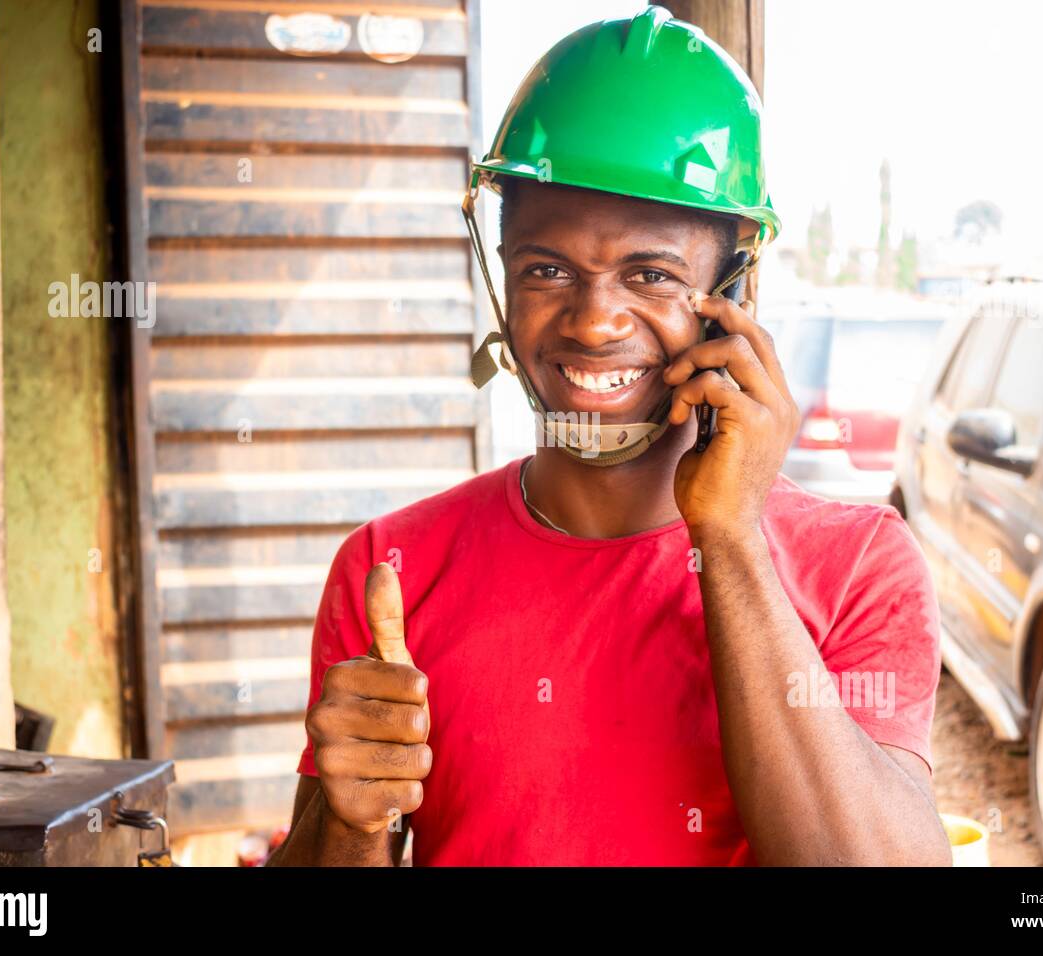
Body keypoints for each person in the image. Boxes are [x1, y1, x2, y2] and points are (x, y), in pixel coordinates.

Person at [269, 6, 951, 867]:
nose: (593, 322)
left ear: (731, 290)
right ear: (501, 280)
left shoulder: (857, 567)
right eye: (547, 269)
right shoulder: (392, 572)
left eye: (650, 275)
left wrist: (732, 541)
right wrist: (350, 823)